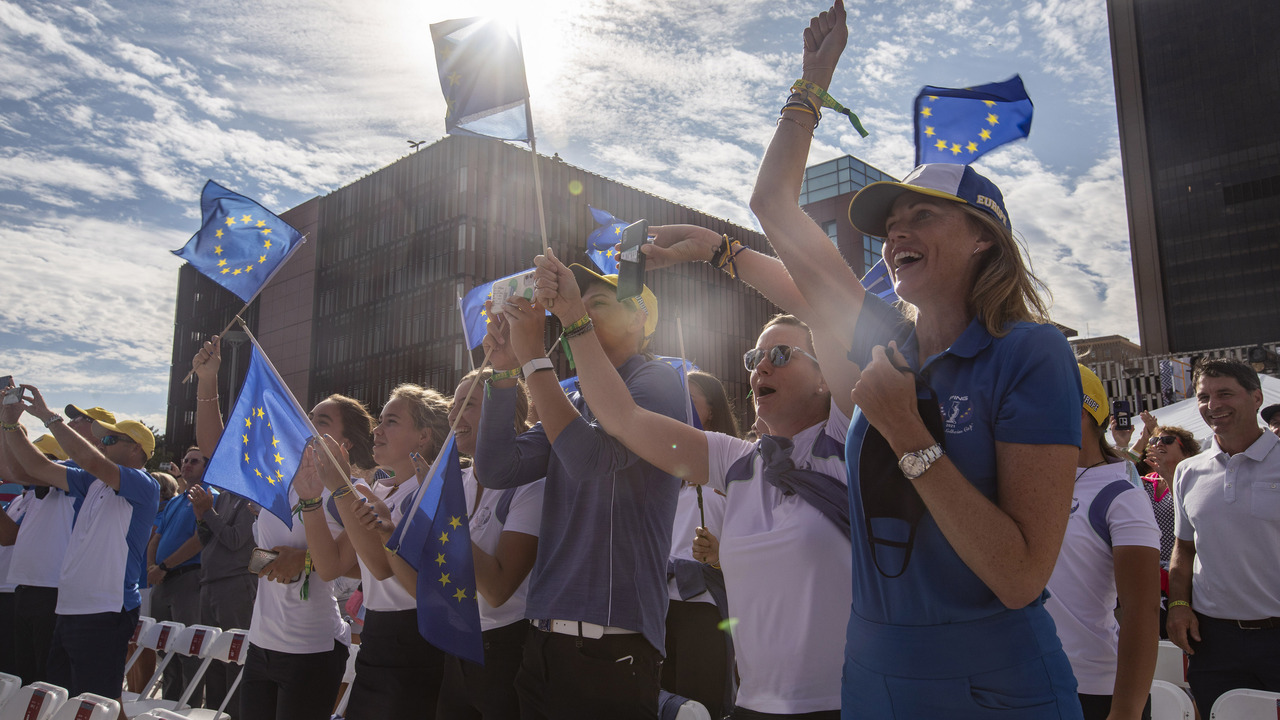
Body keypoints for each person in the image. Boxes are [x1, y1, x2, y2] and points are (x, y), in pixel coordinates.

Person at [633, 4, 1086, 716]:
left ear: (984, 238)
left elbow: (1021, 576)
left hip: (990, 684)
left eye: (922, 216)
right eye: (890, 225)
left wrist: (907, 435)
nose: (895, 234)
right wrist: (813, 82)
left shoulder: (1030, 353)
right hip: (872, 681)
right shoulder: (885, 346)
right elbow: (772, 206)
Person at [534, 250, 854, 720]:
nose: (760, 368)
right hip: (751, 708)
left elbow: (825, 302)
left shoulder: (850, 444)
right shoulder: (736, 460)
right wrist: (571, 321)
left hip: (844, 706)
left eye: (781, 355)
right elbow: (623, 418)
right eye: (754, 357)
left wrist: (715, 248)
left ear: (827, 376)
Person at [476, 263, 686, 719]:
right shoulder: (573, 399)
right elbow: (496, 468)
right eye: (575, 306)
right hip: (544, 641)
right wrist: (504, 372)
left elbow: (589, 459)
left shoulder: (657, 380)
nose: (579, 314)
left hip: (609, 644)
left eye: (598, 304)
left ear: (639, 320)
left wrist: (534, 360)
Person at [193, 339, 354, 720]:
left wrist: (306, 559)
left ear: (345, 443)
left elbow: (360, 563)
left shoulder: (349, 493)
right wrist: (207, 379)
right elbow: (219, 450)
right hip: (262, 644)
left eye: (321, 422)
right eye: (309, 417)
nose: (307, 425)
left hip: (312, 647)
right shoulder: (279, 480)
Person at [1, 386, 159, 717]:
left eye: (111, 439)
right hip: (71, 607)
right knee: (62, 702)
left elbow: (89, 459)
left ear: (137, 449)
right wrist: (10, 424)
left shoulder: (143, 483)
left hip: (105, 608)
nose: (103, 443)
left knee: (97, 705)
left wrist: (48, 417)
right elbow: (34, 467)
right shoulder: (92, 482)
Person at [295, 383, 450, 719]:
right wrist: (310, 501)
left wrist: (341, 487)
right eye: (380, 421)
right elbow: (331, 566)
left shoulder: (433, 490)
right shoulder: (380, 489)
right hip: (376, 638)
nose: (377, 431)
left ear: (423, 436)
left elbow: (383, 569)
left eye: (390, 422)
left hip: (414, 642)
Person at [1045, 365, 1160, 720]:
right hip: (1032, 681)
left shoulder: (1122, 495)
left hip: (1097, 690)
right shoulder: (1036, 482)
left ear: (1079, 412)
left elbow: (1142, 613)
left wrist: (1126, 711)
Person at [1167, 358, 1280, 717]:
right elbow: (1184, 548)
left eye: (1225, 394)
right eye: (1204, 397)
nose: (1213, 405)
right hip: (1213, 641)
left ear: (1256, 397)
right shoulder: (1188, 471)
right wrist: (1179, 604)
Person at [663, 371, 734, 719]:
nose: (681, 406)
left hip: (707, 607)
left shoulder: (737, 466)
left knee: (701, 706)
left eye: (689, 398)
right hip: (660, 604)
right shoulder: (664, 468)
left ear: (712, 410)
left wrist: (719, 554)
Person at [0, 426, 81, 686]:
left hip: (49, 590)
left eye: (39, 458)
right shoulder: (26, 498)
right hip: (22, 588)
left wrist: (9, 426)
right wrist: (7, 426)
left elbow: (8, 536)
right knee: (18, 675)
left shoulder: (67, 488)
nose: (26, 463)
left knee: (42, 678)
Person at [147, 446, 207, 701]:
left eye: (194, 461)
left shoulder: (208, 498)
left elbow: (199, 540)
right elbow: (156, 538)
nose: (187, 464)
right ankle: (169, 704)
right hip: (162, 581)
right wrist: (152, 567)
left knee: (188, 649)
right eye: (185, 460)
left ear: (207, 467)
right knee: (164, 648)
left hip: (188, 579)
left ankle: (189, 707)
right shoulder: (175, 501)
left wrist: (163, 567)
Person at [1138, 424, 1199, 638]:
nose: (1159, 444)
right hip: (1146, 576)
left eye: (1168, 440)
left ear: (1187, 452)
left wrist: (1169, 475)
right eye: (1154, 441)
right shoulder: (1143, 483)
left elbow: (1189, 518)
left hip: (1182, 578)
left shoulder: (1195, 481)